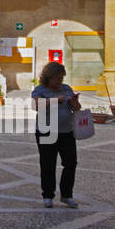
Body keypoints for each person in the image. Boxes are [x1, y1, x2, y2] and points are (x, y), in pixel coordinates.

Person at [31, 62, 80, 208]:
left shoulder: (66, 89)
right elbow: (35, 105)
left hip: (67, 132)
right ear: (48, 77)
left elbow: (76, 108)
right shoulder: (40, 90)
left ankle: (67, 195)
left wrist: (75, 103)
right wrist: (56, 100)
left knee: (70, 163)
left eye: (61, 78)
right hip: (46, 132)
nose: (60, 81)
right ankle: (48, 195)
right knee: (48, 164)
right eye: (57, 78)